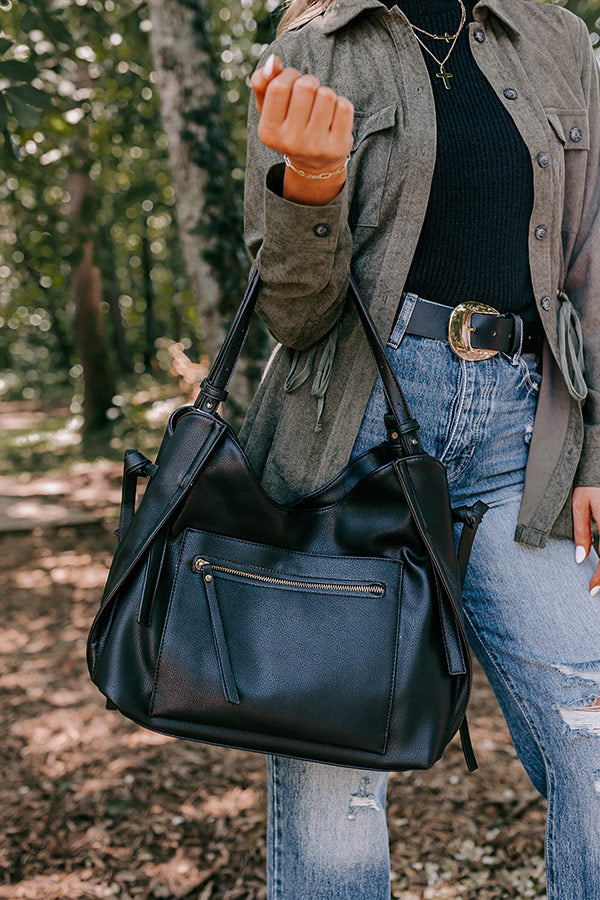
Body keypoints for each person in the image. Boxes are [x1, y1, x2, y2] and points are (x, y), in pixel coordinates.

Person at [238, 0, 600, 897]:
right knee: (334, 784)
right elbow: (293, 314)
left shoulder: (556, 38)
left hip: (531, 424)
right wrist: (312, 183)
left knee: (593, 735)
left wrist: (596, 452)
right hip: (351, 426)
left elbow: (592, 261)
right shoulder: (313, 47)